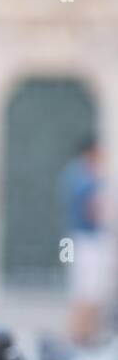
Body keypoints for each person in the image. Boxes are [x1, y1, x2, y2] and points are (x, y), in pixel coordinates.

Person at [60, 135, 111, 345]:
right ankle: (83, 336)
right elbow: (93, 210)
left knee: (82, 287)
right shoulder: (87, 178)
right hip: (88, 240)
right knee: (90, 289)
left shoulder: (72, 174)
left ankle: (82, 334)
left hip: (75, 238)